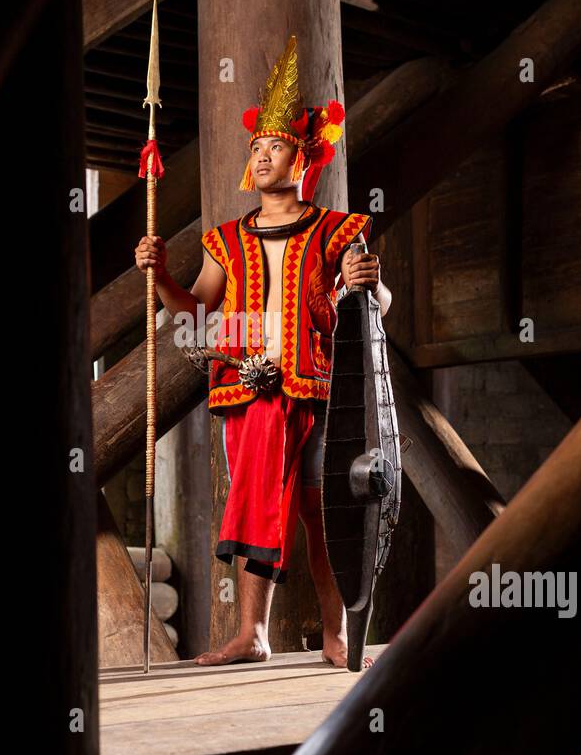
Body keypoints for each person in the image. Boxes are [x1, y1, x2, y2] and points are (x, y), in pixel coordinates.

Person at [134, 35, 392, 668]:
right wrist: (161, 274)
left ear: (301, 159)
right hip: (249, 391)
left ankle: (336, 633)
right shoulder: (226, 239)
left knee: (322, 509)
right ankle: (252, 634)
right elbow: (194, 315)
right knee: (257, 504)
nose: (264, 153)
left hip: (323, 388)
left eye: (276, 145)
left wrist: (369, 285)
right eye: (258, 146)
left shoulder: (338, 230)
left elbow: (379, 306)